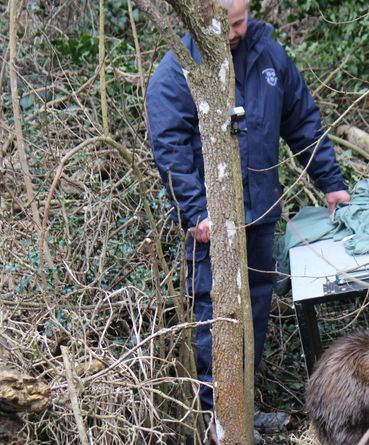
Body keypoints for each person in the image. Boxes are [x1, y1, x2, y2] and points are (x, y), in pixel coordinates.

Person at [146, 0, 351, 412]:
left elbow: (303, 122)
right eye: (226, 24)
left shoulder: (268, 55)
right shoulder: (176, 73)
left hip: (260, 213)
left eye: (240, 21)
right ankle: (214, 430)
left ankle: (245, 413)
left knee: (255, 314)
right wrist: (195, 212)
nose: (234, 32)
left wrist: (331, 183)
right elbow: (170, 150)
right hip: (212, 226)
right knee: (215, 321)